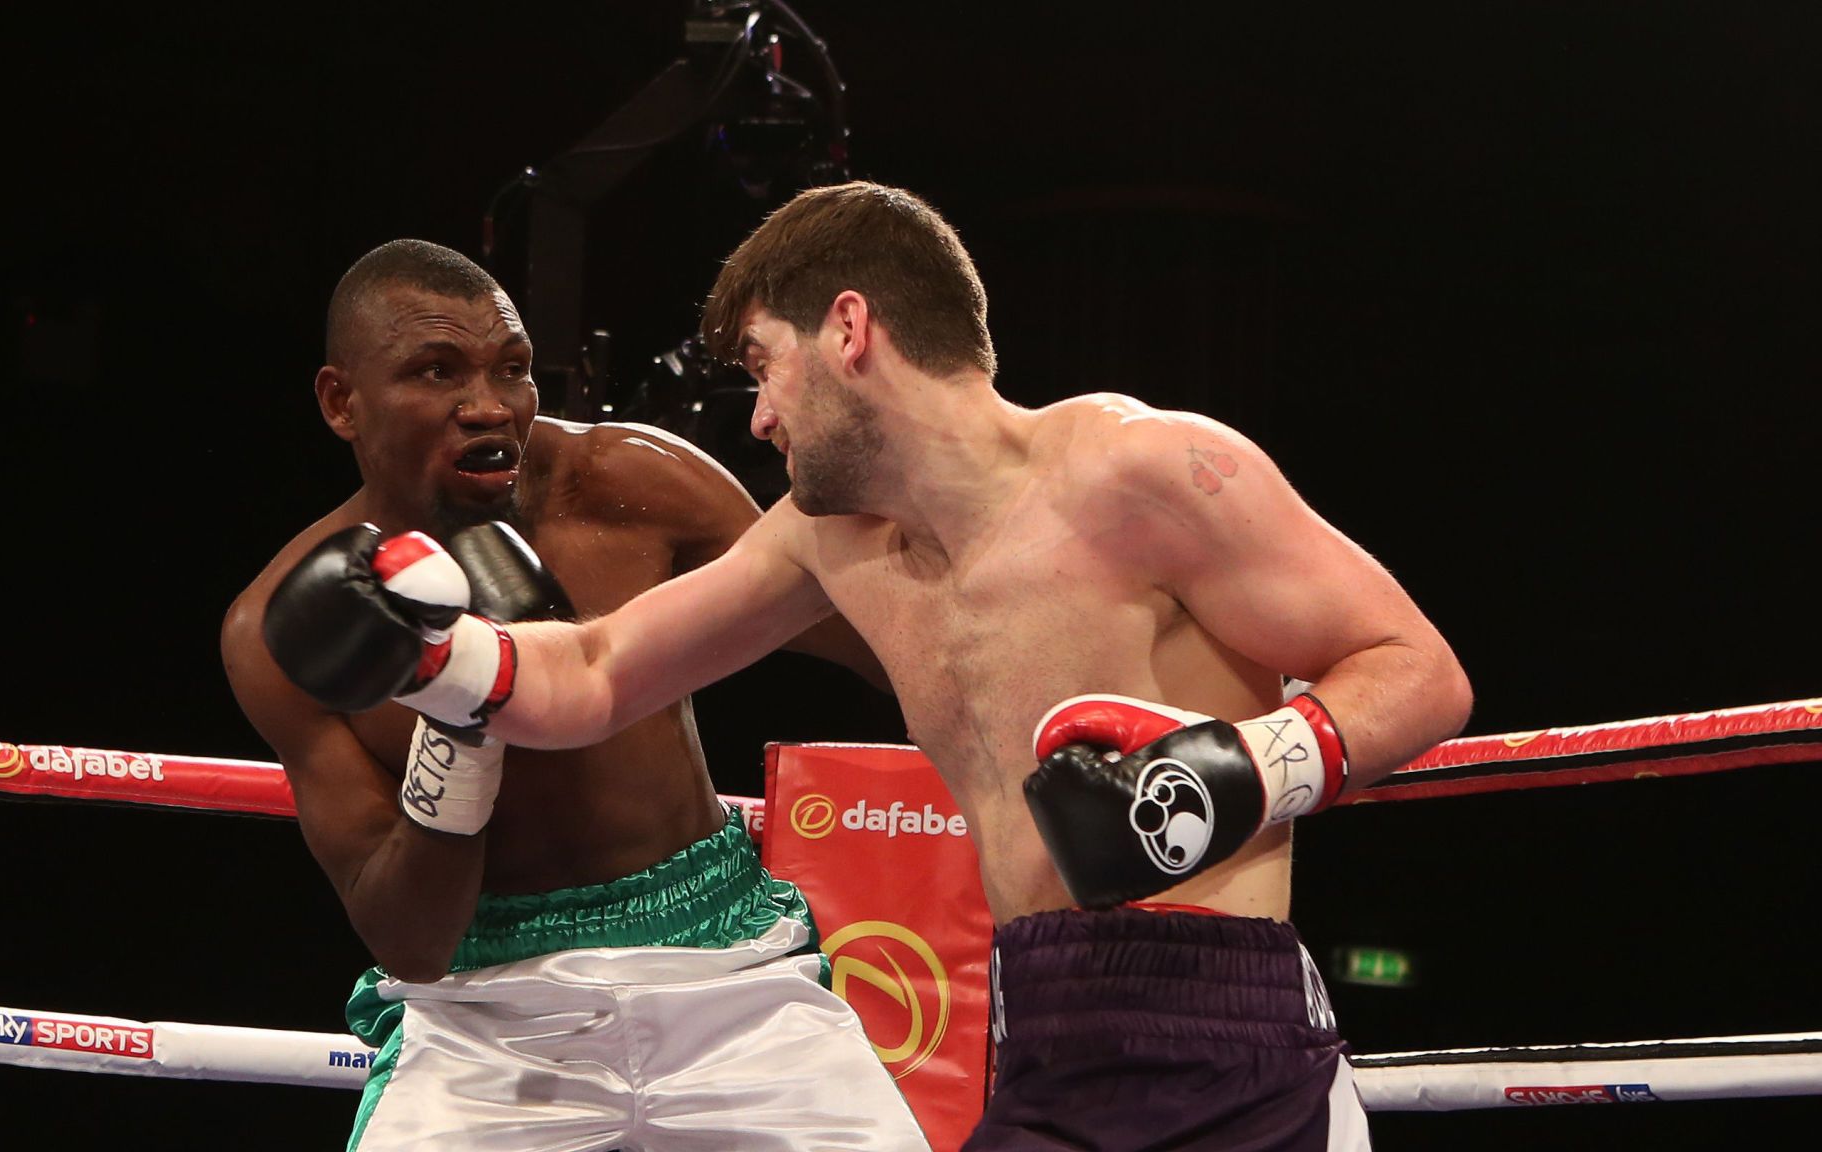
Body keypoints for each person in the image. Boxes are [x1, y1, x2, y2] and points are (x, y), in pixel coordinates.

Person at [269, 186, 1474, 1151]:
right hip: (1042, 1034)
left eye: (761, 366)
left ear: (847, 331)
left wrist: (1226, 774)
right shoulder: (829, 541)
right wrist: (435, 655)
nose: (756, 418)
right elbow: (592, 668)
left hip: (1229, 1030)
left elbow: (1416, 669)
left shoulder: (1141, 469)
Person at [221, 238, 931, 1151]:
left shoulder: (634, 483)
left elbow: (888, 646)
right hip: (483, 1012)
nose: (489, 405)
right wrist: (459, 718)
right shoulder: (281, 631)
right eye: (437, 371)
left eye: (511, 368)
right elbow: (411, 940)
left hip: (731, 972)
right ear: (340, 402)